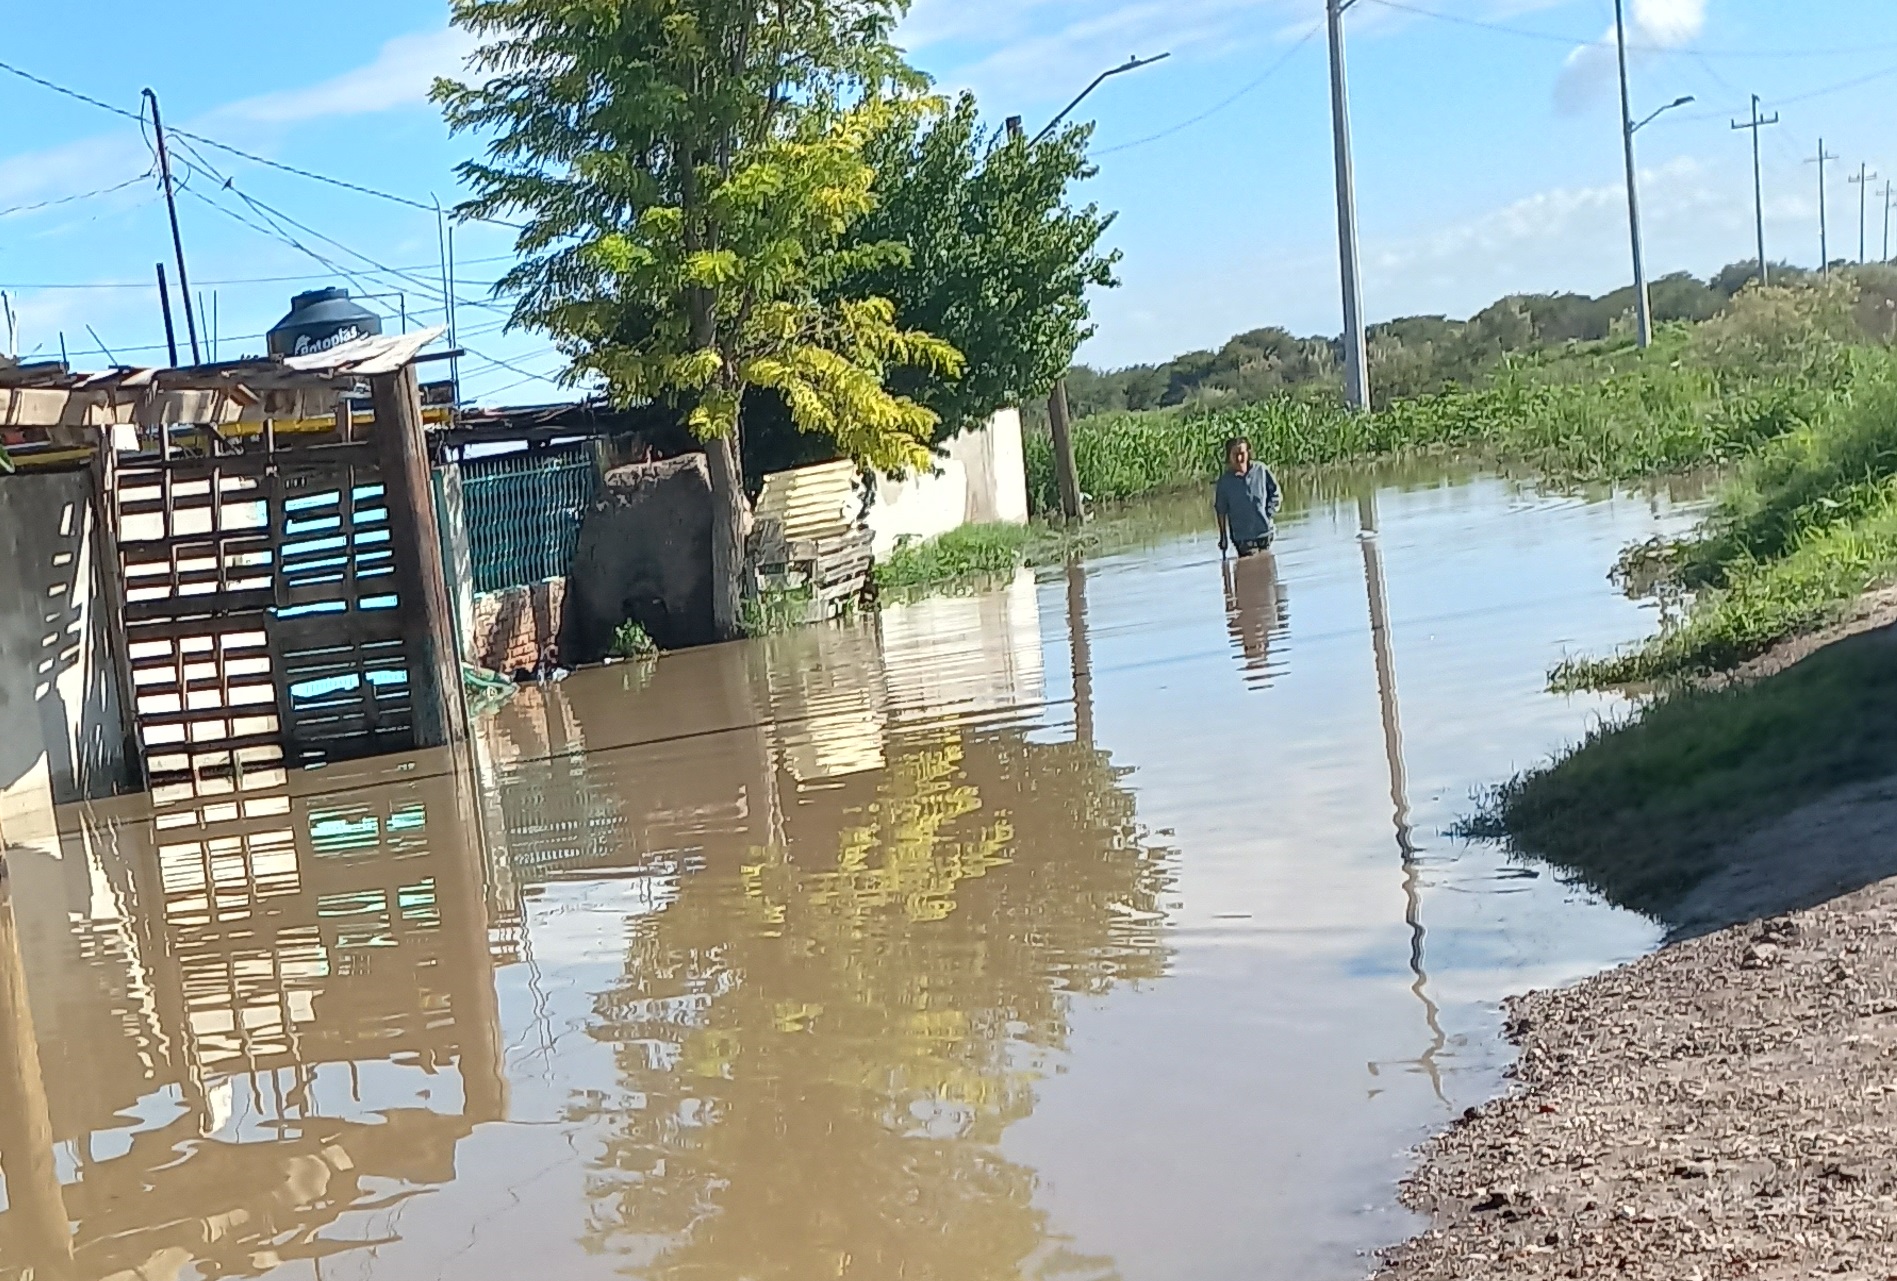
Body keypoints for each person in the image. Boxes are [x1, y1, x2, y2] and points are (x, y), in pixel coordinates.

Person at [1214, 436, 1281, 557]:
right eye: (1235, 455)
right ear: (1229, 457)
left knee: (1266, 568)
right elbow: (1221, 511)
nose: (1239, 459)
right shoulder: (1224, 483)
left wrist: (1269, 513)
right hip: (1242, 538)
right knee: (1249, 569)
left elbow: (1275, 494)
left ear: (1248, 453)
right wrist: (1223, 537)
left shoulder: (1261, 470)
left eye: (1242, 454)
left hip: (1265, 532)